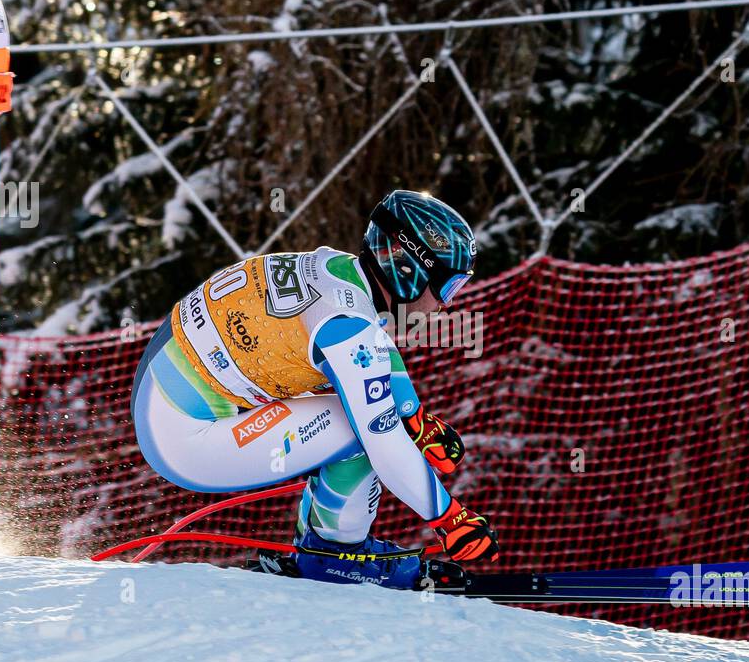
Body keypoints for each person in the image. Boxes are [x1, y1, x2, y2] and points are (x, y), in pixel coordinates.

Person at [130, 189, 499, 589]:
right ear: (410, 271)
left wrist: (415, 418)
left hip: (160, 390)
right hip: (184, 440)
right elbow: (383, 438)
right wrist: (450, 518)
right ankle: (333, 558)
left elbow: (374, 350)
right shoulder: (347, 323)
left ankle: (326, 546)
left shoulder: (337, 269)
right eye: (447, 288)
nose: (445, 306)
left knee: (367, 414)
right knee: (365, 431)